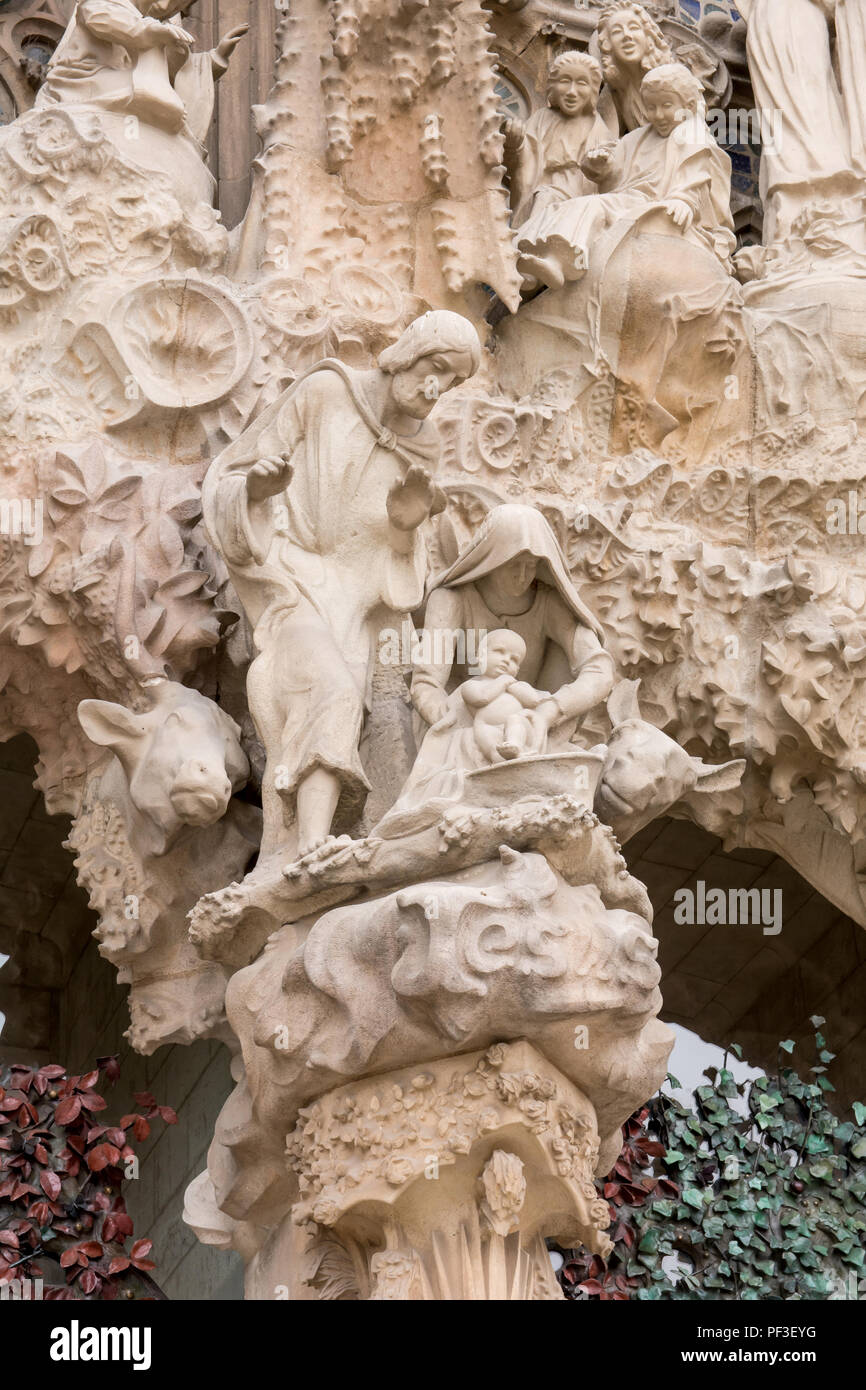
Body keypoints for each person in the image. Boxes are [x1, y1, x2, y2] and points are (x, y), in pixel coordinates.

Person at [202, 310, 481, 863]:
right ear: (408, 351)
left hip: (355, 603)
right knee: (332, 690)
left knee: (352, 706)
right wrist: (257, 490)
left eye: (451, 383)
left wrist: (405, 525)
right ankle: (306, 846)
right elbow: (232, 477)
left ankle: (307, 846)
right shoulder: (327, 391)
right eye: (435, 368)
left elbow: (404, 575)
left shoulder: (423, 448)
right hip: (289, 579)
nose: (435, 388)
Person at [516, 63, 735, 290]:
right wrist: (600, 165)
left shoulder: (691, 133)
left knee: (591, 208)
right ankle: (529, 263)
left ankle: (558, 261)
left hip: (653, 209)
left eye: (666, 106)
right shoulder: (639, 136)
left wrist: (684, 200)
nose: (658, 115)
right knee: (563, 207)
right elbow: (613, 169)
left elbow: (695, 172)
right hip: (627, 202)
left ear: (688, 106)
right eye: (651, 107)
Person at [411, 503, 614, 747]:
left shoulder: (550, 602)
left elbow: (600, 670)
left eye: (531, 566)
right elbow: (426, 683)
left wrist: (551, 710)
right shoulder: (451, 599)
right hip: (464, 722)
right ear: (491, 558)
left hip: (529, 725)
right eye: (513, 565)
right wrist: (453, 722)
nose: (522, 576)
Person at [36, 0, 247, 142]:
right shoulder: (108, 3)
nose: (170, 9)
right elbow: (104, 19)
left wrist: (215, 59)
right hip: (82, 79)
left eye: (177, 7)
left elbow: (172, 70)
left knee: (156, 96)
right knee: (148, 96)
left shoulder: (147, 23)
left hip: (109, 80)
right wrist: (151, 32)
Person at [506, 51, 612, 289]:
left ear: (594, 89)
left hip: (577, 191)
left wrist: (601, 162)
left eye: (582, 83)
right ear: (552, 86)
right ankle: (528, 258)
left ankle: (537, 261)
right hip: (542, 188)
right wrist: (515, 143)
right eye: (565, 81)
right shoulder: (543, 118)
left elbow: (610, 167)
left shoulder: (596, 126)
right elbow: (523, 160)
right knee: (546, 197)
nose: (572, 91)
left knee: (555, 203)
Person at [461, 631, 551, 762]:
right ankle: (504, 763)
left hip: (520, 726)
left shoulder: (517, 685)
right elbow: (480, 698)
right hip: (486, 726)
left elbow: (533, 701)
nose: (506, 660)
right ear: (480, 656)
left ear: (517, 670)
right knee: (492, 747)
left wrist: (511, 684)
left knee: (515, 720)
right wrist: (502, 681)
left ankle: (515, 746)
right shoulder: (472, 685)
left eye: (514, 659)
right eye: (499, 651)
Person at [595, 2, 673, 134]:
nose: (627, 35)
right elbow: (605, 140)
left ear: (648, 36)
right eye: (617, 31)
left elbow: (693, 133)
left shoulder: (673, 78)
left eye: (634, 28)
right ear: (608, 45)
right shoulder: (615, 91)